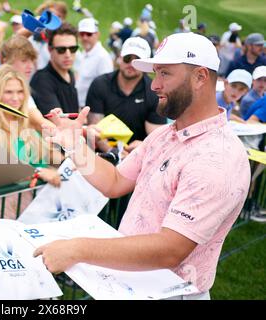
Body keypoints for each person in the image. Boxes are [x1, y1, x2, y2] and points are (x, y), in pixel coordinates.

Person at [34, 32, 251, 300]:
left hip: (172, 294)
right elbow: (115, 182)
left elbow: (170, 249)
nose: (154, 85)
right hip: (130, 284)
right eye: (156, 74)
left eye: (165, 74)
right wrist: (74, 145)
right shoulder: (165, 134)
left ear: (200, 77)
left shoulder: (218, 157)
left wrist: (76, 249)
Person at [0, 64, 62, 218]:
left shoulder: (30, 121)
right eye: (8, 92)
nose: (15, 98)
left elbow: (53, 157)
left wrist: (69, 151)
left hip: (43, 199)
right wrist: (37, 173)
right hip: (7, 205)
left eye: (20, 92)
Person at [86, 37, 166, 153]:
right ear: (119, 58)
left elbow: (156, 137)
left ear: (145, 64)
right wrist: (114, 152)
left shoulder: (154, 91)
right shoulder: (100, 84)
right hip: (103, 152)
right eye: (127, 58)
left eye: (137, 61)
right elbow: (95, 131)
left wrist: (142, 148)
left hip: (138, 154)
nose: (131, 64)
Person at [0, 35, 55, 132]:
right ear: (6, 61)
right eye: (24, 60)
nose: (30, 66)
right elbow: (39, 122)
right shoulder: (4, 89)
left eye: (32, 60)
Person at [30, 23, 80, 115]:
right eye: (61, 49)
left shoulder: (69, 74)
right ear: (50, 49)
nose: (68, 55)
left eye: (73, 49)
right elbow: (58, 122)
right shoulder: (42, 80)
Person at [75, 18, 114, 108]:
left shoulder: (102, 57)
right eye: (81, 34)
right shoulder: (85, 53)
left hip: (92, 109)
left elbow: (106, 89)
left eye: (89, 34)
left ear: (97, 35)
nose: (85, 37)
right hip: (81, 107)